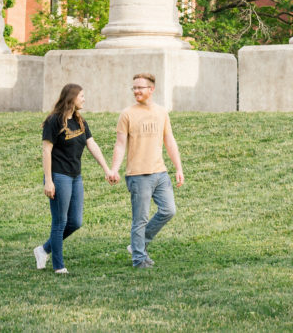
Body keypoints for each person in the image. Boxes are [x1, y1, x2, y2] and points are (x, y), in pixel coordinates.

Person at [34, 83, 116, 274]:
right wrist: (48, 180)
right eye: (81, 96)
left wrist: (107, 169)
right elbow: (46, 150)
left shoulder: (79, 120)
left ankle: (43, 249)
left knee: (75, 222)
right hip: (59, 175)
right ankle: (58, 266)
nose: (84, 99)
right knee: (60, 221)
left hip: (75, 177)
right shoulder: (54, 121)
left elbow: (92, 144)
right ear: (71, 98)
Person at [110, 72, 184, 269]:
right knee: (140, 219)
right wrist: (114, 169)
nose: (136, 91)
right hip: (138, 175)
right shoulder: (127, 114)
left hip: (160, 172)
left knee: (169, 210)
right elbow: (119, 145)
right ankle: (139, 259)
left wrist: (178, 167)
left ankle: (138, 245)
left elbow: (169, 140)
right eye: (134, 87)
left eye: (140, 87)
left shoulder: (161, 112)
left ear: (151, 89)